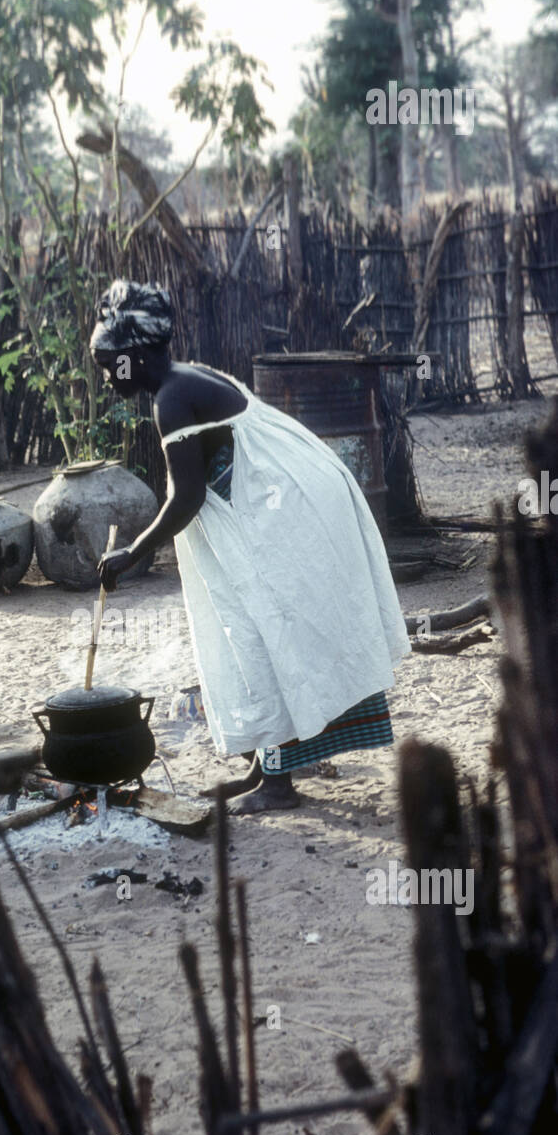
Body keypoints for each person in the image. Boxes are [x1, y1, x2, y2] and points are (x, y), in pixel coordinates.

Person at [91, 280, 410, 814]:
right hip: (286, 504)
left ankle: (279, 786)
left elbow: (187, 495)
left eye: (111, 364)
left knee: (268, 637)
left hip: (286, 514)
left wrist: (134, 553)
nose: (107, 377)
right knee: (256, 635)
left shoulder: (172, 398)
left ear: (137, 356)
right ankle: (268, 769)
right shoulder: (183, 380)